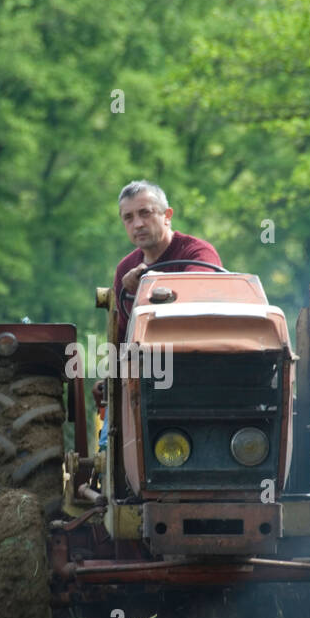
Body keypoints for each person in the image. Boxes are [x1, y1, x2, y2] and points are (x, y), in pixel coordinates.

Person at [95, 180, 222, 451]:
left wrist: (150, 282)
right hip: (146, 370)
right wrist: (112, 377)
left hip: (197, 366)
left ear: (167, 216)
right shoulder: (125, 269)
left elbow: (199, 291)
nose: (137, 224)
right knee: (110, 443)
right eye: (128, 218)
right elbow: (122, 333)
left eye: (145, 213)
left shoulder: (198, 252)